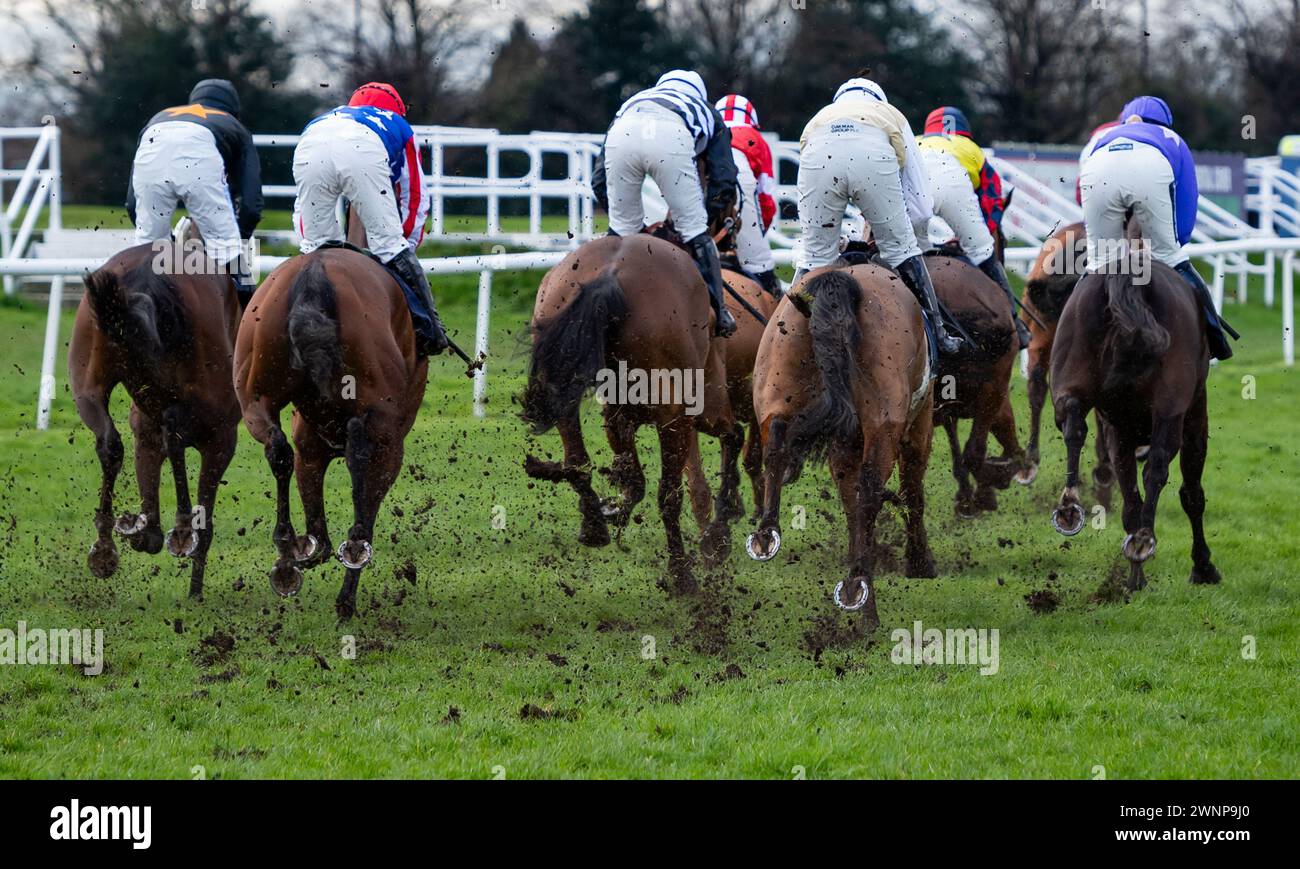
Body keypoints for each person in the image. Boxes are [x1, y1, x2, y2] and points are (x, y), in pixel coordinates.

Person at [796, 77, 960, 356]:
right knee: (902, 249)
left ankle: (778, 331)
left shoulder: (820, 116)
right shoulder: (891, 114)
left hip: (818, 151)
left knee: (813, 257)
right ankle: (940, 333)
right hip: (872, 155)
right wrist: (892, 239)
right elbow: (921, 207)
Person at [292, 82, 447, 356]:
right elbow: (415, 198)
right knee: (390, 245)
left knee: (315, 250)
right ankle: (430, 331)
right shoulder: (398, 125)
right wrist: (404, 248)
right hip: (361, 149)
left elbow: (301, 214)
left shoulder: (332, 116)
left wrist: (308, 243)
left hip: (309, 142)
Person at [1080, 95, 1234, 360]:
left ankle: (1070, 337)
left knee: (1098, 264)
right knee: (1173, 259)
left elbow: (1084, 196)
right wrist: (1175, 245)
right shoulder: (1172, 139)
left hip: (1096, 170)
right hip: (1149, 169)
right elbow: (1186, 204)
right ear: (1165, 122)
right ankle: (1215, 339)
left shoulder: (1105, 136)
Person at [592, 70, 739, 336]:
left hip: (622, 134)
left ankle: (596, 304)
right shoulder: (706, 110)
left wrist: (626, 221)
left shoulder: (634, 100)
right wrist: (701, 220)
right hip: (671, 136)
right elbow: (724, 179)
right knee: (694, 230)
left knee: (621, 233)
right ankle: (720, 312)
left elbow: (599, 180)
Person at [126, 79, 262, 304]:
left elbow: (132, 205)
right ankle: (245, 323)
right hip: (200, 153)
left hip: (152, 141)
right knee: (228, 252)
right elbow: (251, 207)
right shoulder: (234, 126)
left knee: (147, 252)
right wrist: (237, 242)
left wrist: (165, 242)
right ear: (235, 112)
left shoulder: (159, 117)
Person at [918, 106, 1029, 349]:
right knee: (982, 249)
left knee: (904, 254)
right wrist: (974, 238)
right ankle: (1014, 322)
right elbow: (991, 205)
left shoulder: (914, 142)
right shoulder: (971, 149)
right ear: (965, 133)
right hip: (951, 183)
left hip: (913, 180)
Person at [715, 93, 782, 298]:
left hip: (701, 180)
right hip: (739, 180)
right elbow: (766, 200)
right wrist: (757, 235)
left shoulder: (708, 130)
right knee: (759, 264)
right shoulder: (755, 139)